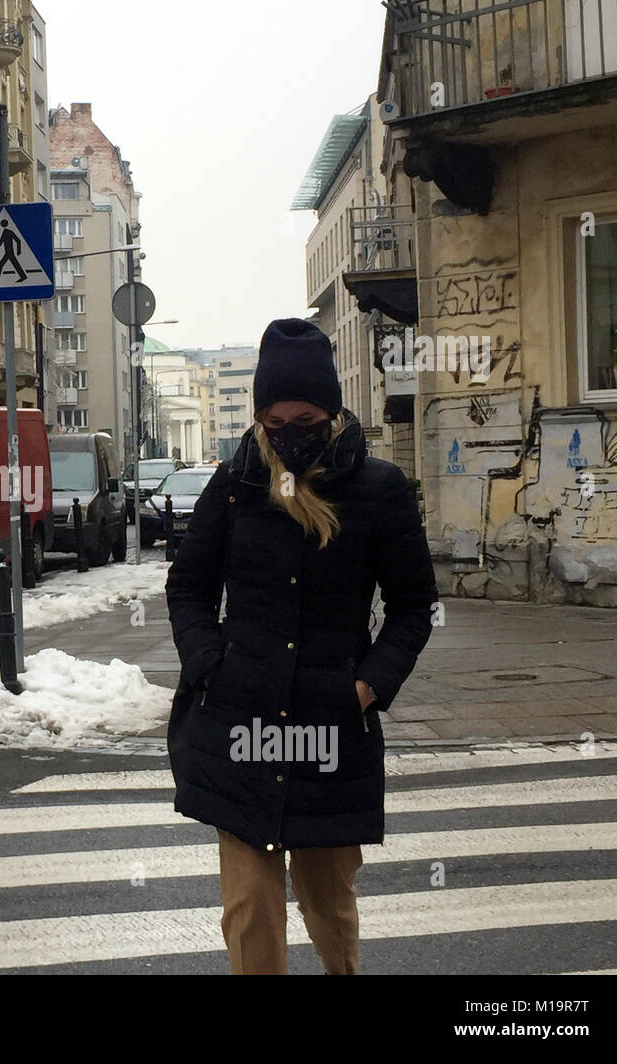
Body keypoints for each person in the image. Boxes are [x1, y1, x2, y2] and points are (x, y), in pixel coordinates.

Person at [166, 318, 437, 975]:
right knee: (252, 914)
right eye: (275, 419)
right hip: (242, 726)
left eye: (306, 417)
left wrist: (366, 686)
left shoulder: (379, 490)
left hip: (331, 732)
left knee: (329, 911)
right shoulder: (234, 488)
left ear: (333, 413)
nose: (290, 432)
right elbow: (188, 590)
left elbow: (412, 609)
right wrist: (210, 666)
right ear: (260, 417)